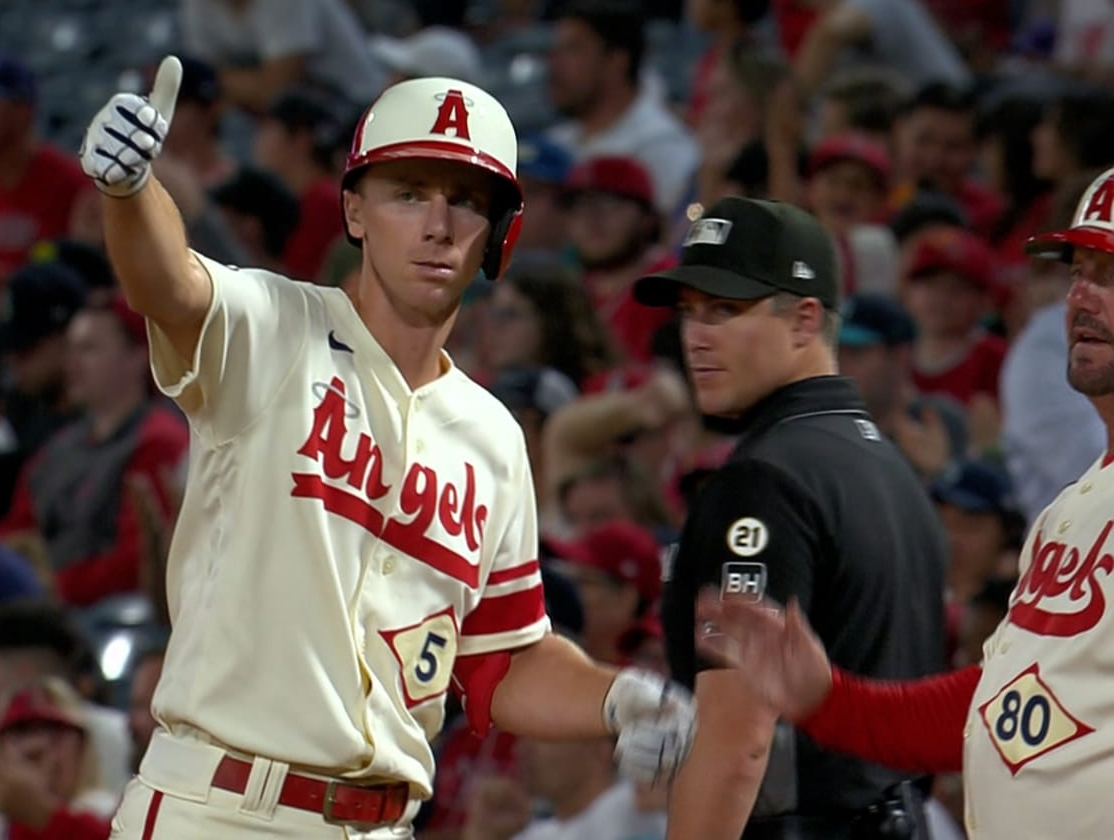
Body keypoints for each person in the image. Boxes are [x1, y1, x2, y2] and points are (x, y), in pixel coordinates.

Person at [78, 56, 694, 837]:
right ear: (355, 212)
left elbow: (501, 660)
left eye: (467, 201)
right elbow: (168, 284)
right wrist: (131, 192)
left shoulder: (492, 436)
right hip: (221, 805)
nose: (439, 224)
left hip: (386, 824)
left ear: (499, 237)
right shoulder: (277, 326)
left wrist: (618, 698)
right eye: (408, 194)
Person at [695, 165, 1114, 840]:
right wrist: (830, 700)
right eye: (1077, 270)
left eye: (1110, 275)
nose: (1082, 296)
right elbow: (994, 706)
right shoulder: (1073, 507)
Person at [630, 196, 949, 838]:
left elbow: (738, 740)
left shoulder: (764, 479)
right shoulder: (889, 467)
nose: (696, 336)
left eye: (725, 310)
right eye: (689, 312)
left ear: (805, 320)